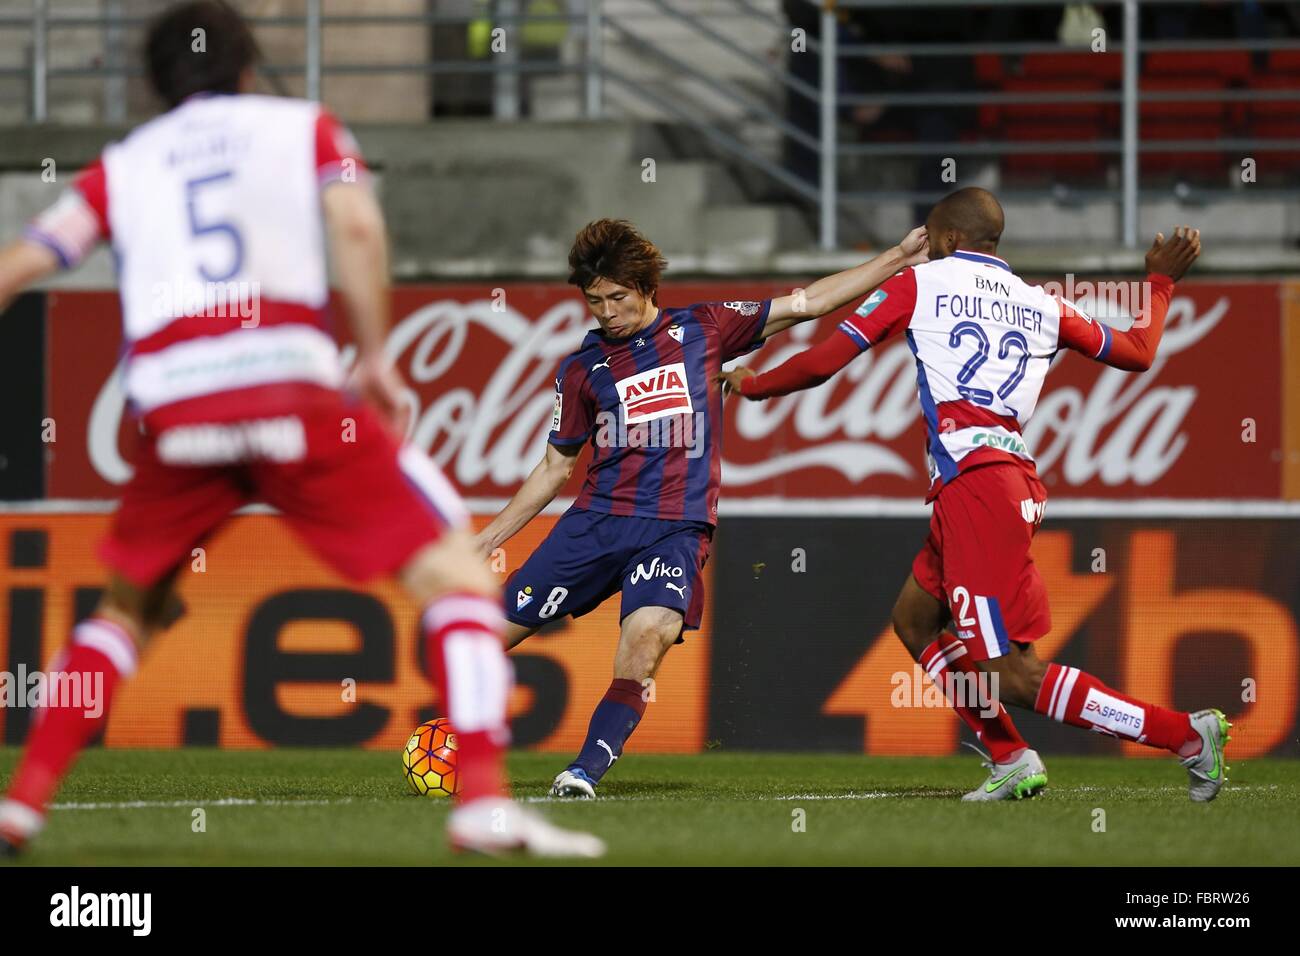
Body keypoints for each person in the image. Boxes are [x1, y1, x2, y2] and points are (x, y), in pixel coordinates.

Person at [0, 0, 601, 857]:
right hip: (287, 387)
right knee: (457, 576)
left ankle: (21, 806)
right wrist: (377, 355)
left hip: (175, 409)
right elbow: (355, 222)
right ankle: (480, 801)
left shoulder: (122, 166)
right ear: (247, 69)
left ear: (153, 86)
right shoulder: (301, 127)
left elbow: (24, 260)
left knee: (124, 613)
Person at [720, 187, 1228, 802]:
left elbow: (827, 360)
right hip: (996, 480)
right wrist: (1158, 281)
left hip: (978, 490)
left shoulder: (920, 285)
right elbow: (1139, 352)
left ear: (949, 240)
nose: (924, 249)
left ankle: (1184, 735)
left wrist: (752, 384)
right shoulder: (1042, 304)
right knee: (914, 618)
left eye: (930, 240)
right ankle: (1010, 755)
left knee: (1013, 674)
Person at [476, 217, 929, 798]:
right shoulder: (581, 370)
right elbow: (554, 468)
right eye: (595, 301)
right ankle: (455, 741)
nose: (607, 311)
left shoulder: (704, 329)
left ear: (646, 289)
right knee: (483, 638)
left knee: (648, 639)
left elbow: (807, 302)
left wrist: (897, 256)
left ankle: (581, 773)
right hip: (596, 525)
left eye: (617, 297)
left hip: (676, 531)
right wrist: (490, 537)